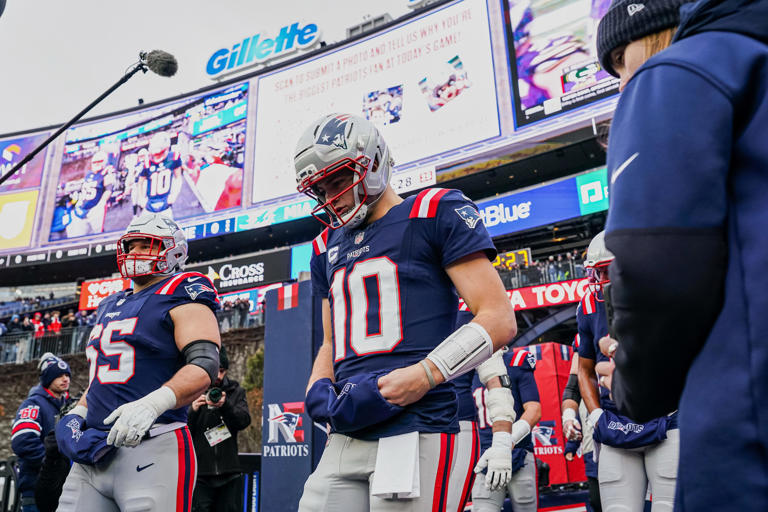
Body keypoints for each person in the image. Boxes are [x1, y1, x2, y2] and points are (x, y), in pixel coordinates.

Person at [295, 113, 517, 511]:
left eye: (341, 180)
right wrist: (317, 386)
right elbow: (332, 341)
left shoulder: (435, 210)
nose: (333, 197)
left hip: (418, 425)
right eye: (322, 188)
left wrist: (424, 375)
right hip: (347, 429)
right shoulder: (323, 247)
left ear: (375, 161)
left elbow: (498, 317)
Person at [596, 0, 768, 509]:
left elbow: (656, 267)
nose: (624, 86)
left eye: (620, 67)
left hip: (747, 418)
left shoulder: (680, 69)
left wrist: (633, 384)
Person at [56, 212, 222, 512]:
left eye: (146, 245)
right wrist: (77, 413)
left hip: (153, 443)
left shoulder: (181, 289)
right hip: (94, 452)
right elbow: (104, 378)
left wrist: (153, 404)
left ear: (173, 251)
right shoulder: (109, 304)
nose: (134, 253)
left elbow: (204, 364)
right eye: (131, 246)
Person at [576, 232, 678, 512]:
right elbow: (583, 371)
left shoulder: (665, 296)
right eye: (598, 273)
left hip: (667, 419)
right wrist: (595, 415)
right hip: (615, 423)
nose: (602, 282)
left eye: (608, 271)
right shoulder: (587, 307)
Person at [469, 338, 542, 512]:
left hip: (518, 451)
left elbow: (534, 410)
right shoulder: (468, 371)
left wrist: (507, 442)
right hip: (484, 457)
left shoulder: (515, 362)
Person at [188, 346, 251, 512]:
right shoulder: (192, 391)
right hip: (201, 474)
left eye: (222, 371)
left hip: (229, 473)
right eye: (215, 370)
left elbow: (243, 421)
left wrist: (226, 406)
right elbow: (182, 431)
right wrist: (192, 410)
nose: (218, 376)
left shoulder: (235, 391)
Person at [11, 353, 71, 512]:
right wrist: (51, 465)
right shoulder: (33, 404)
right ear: (47, 378)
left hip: (60, 492)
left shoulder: (67, 406)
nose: (65, 379)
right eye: (59, 376)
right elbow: (23, 441)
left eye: (67, 375)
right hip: (35, 490)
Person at [561, 335, 600, 512]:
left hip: (635, 428)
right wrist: (571, 443)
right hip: (595, 442)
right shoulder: (583, 335)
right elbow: (573, 389)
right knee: (598, 500)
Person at [66, 151, 116, 238]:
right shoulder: (89, 174)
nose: (97, 164)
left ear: (104, 161)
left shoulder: (106, 173)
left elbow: (109, 190)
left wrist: (101, 204)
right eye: (95, 162)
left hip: (95, 210)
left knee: (99, 235)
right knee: (77, 236)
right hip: (82, 209)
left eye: (99, 161)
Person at [137, 132, 184, 219]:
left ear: (167, 148)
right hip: (149, 205)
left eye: (160, 153)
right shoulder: (147, 162)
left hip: (165, 204)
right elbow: (140, 182)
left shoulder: (173, 157)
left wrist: (174, 195)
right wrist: (141, 199)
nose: (157, 157)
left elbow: (178, 177)